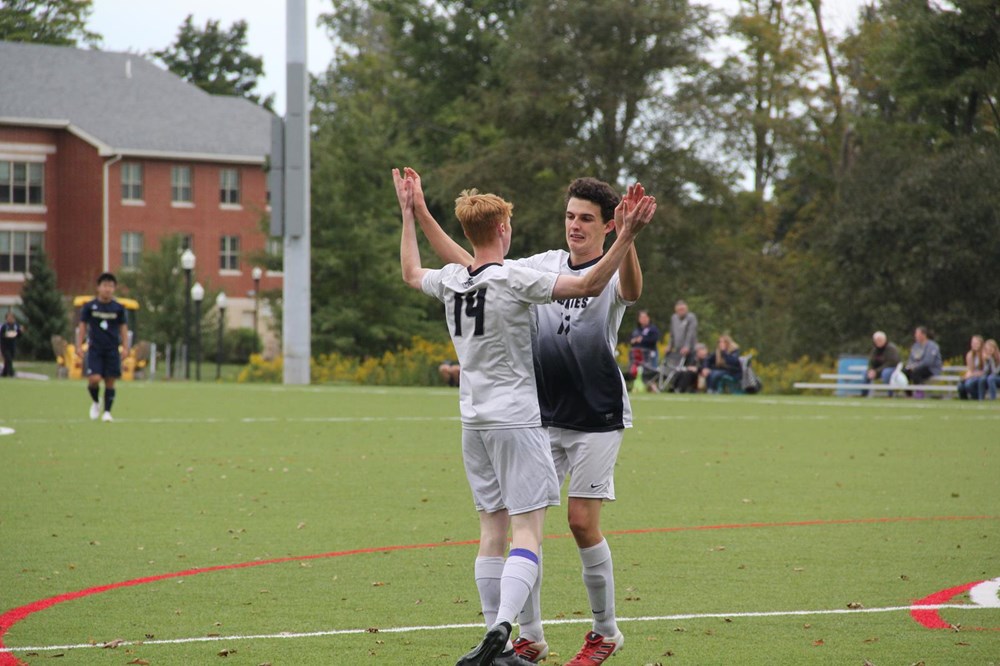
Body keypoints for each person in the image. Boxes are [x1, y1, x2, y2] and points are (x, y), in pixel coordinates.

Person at [393, 169, 654, 666]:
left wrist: (627, 239)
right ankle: (526, 637)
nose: (574, 226)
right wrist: (423, 213)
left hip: (595, 413)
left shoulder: (608, 262)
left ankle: (604, 631)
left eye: (585, 219)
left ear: (606, 226)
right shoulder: (539, 266)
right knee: (524, 529)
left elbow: (629, 289)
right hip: (540, 418)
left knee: (577, 522)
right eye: (569, 216)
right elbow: (478, 264)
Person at [77, 272, 129, 422]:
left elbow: (123, 328)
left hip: (112, 349)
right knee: (94, 379)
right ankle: (95, 401)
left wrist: (125, 347)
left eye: (111, 286)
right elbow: (82, 326)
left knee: (110, 380)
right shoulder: (89, 306)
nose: (108, 289)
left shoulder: (118, 308)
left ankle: (107, 412)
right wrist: (79, 345)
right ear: (98, 287)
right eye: (105, 285)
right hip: (95, 348)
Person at [628, 309, 659, 388]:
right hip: (637, 357)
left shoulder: (653, 329)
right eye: (642, 317)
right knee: (637, 372)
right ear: (638, 319)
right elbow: (630, 340)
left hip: (649, 355)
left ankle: (653, 388)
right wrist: (634, 340)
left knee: (650, 374)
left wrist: (642, 339)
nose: (644, 319)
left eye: (645, 317)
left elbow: (654, 339)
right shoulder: (636, 330)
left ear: (649, 318)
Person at [667, 300, 698, 365]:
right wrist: (669, 346)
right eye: (679, 309)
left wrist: (687, 346)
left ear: (686, 309)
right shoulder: (674, 318)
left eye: (683, 309)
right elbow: (672, 334)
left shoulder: (691, 317)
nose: (681, 311)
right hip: (678, 350)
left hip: (690, 350)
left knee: (688, 370)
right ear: (676, 310)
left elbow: (690, 333)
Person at [957, 335, 985, 400]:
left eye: (976, 343)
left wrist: (972, 374)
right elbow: (970, 370)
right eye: (973, 343)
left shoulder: (984, 354)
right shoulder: (970, 355)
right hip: (972, 376)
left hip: (981, 376)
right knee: (960, 386)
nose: (974, 345)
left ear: (981, 344)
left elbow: (985, 370)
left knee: (969, 384)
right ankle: (964, 402)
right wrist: (965, 377)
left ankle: (976, 399)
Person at [0, 310, 25, 378]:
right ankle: (11, 373)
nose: (10, 319)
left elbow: (18, 335)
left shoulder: (16, 326)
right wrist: (8, 335)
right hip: (5, 346)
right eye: (8, 317)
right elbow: (2, 335)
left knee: (9, 359)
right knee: (8, 359)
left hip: (12, 346)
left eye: (11, 317)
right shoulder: (4, 326)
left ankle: (4, 373)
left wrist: (20, 331)